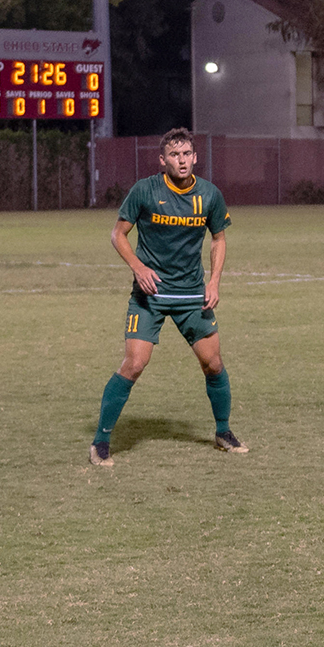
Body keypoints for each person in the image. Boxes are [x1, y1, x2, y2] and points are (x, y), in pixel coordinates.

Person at [91, 128, 244, 466]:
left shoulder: (210, 194)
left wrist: (214, 281)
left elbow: (218, 239)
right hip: (151, 294)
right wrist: (137, 267)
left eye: (187, 154)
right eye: (174, 155)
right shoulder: (145, 190)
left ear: (194, 156)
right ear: (163, 161)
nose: (182, 160)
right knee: (134, 364)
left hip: (192, 295)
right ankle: (100, 442)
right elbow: (118, 234)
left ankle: (223, 431)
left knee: (213, 363)